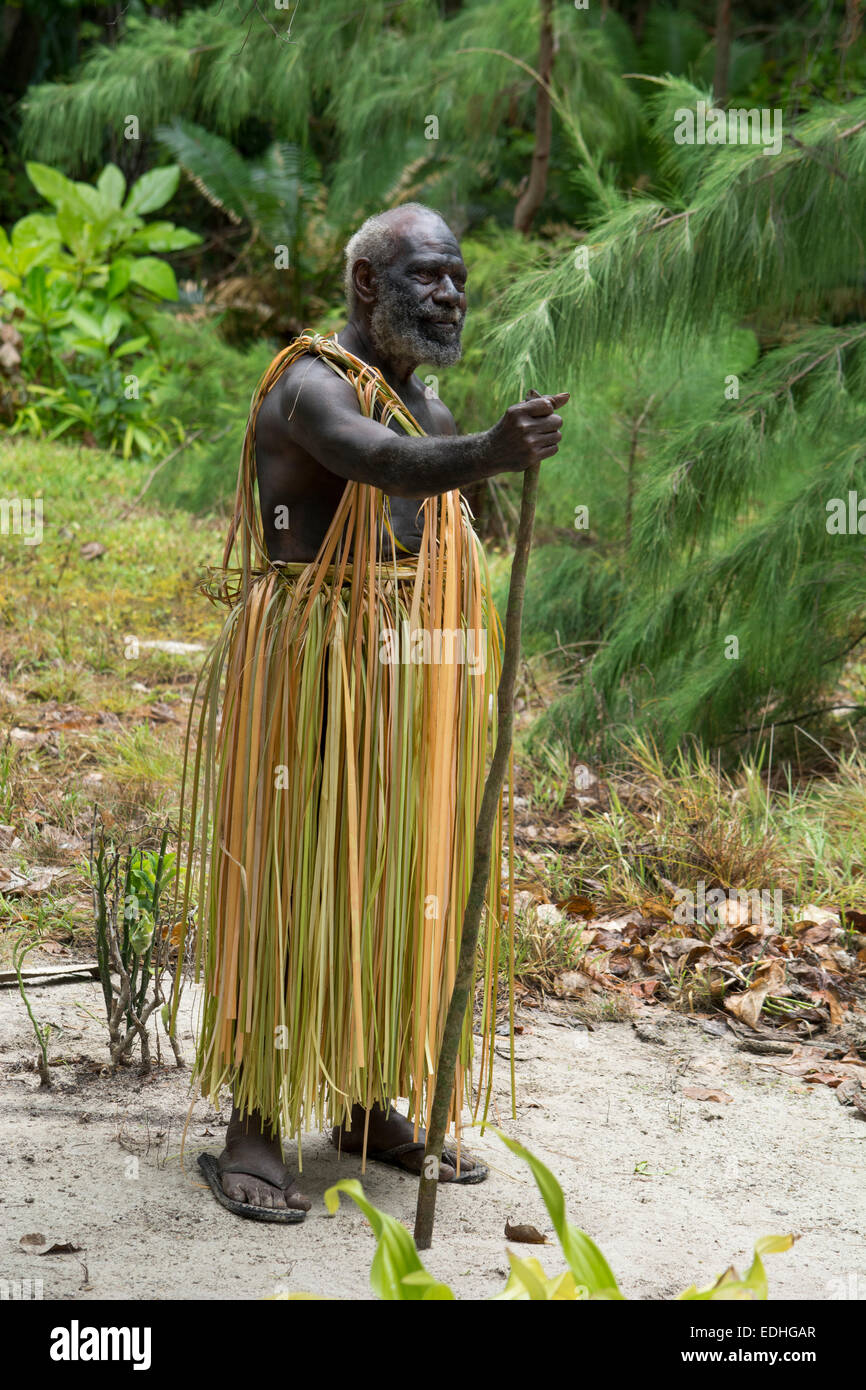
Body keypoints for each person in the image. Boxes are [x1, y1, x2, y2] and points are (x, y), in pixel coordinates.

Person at [181, 202, 568, 1220]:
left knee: (397, 874)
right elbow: (379, 464)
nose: (450, 296)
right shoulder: (308, 388)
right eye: (431, 277)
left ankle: (364, 1099)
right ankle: (255, 1121)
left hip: (404, 675)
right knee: (296, 872)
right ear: (366, 285)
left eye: (458, 281)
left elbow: (433, 498)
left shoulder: (424, 405)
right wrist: (491, 449)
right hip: (310, 663)